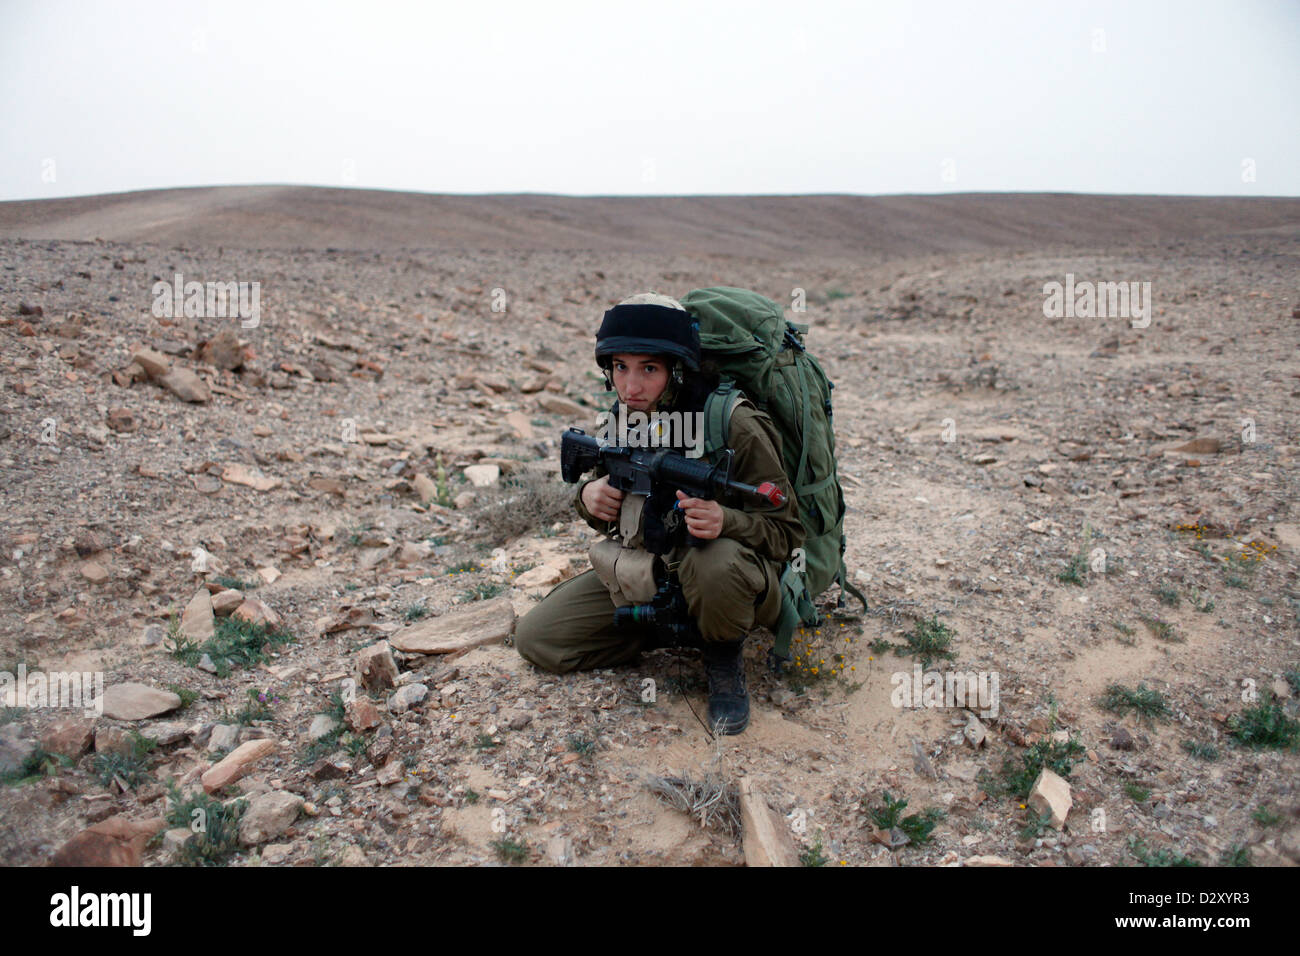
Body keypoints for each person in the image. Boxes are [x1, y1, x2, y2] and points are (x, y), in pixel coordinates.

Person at [514, 293, 804, 734]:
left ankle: (722, 653)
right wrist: (588, 497)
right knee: (539, 640)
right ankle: (668, 628)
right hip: (650, 573)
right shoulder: (623, 416)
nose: (631, 387)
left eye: (648, 368)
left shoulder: (732, 423)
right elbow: (608, 495)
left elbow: (789, 532)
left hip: (729, 579)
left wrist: (728, 521)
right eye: (620, 368)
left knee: (715, 561)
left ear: (676, 369)